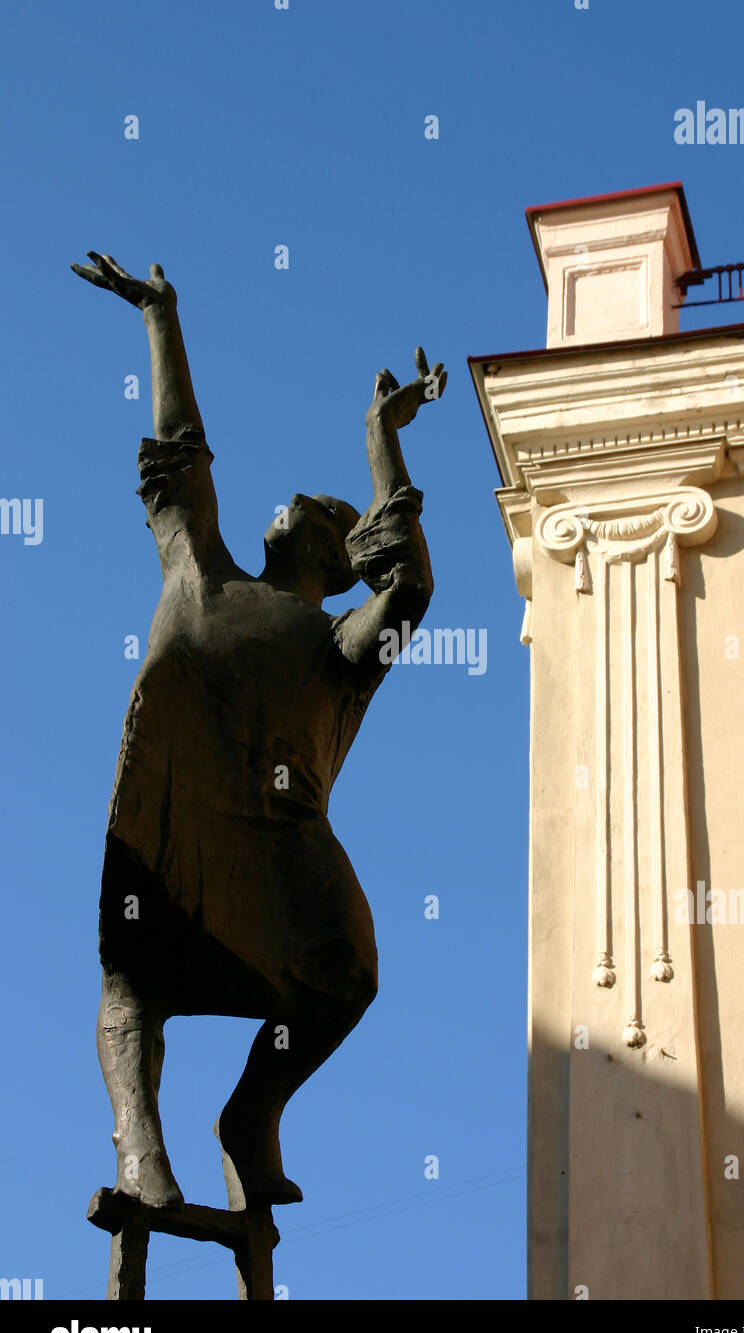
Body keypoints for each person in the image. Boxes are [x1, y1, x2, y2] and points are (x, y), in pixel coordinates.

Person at [71, 251, 446, 1208]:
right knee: (134, 984)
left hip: (279, 849)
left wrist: (379, 441)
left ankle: (249, 1114)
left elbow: (410, 586)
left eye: (312, 509)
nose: (287, 505)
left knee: (345, 974)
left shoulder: (339, 648)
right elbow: (178, 455)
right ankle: (142, 1155)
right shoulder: (204, 572)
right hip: (173, 808)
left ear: (336, 547)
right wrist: (162, 317)